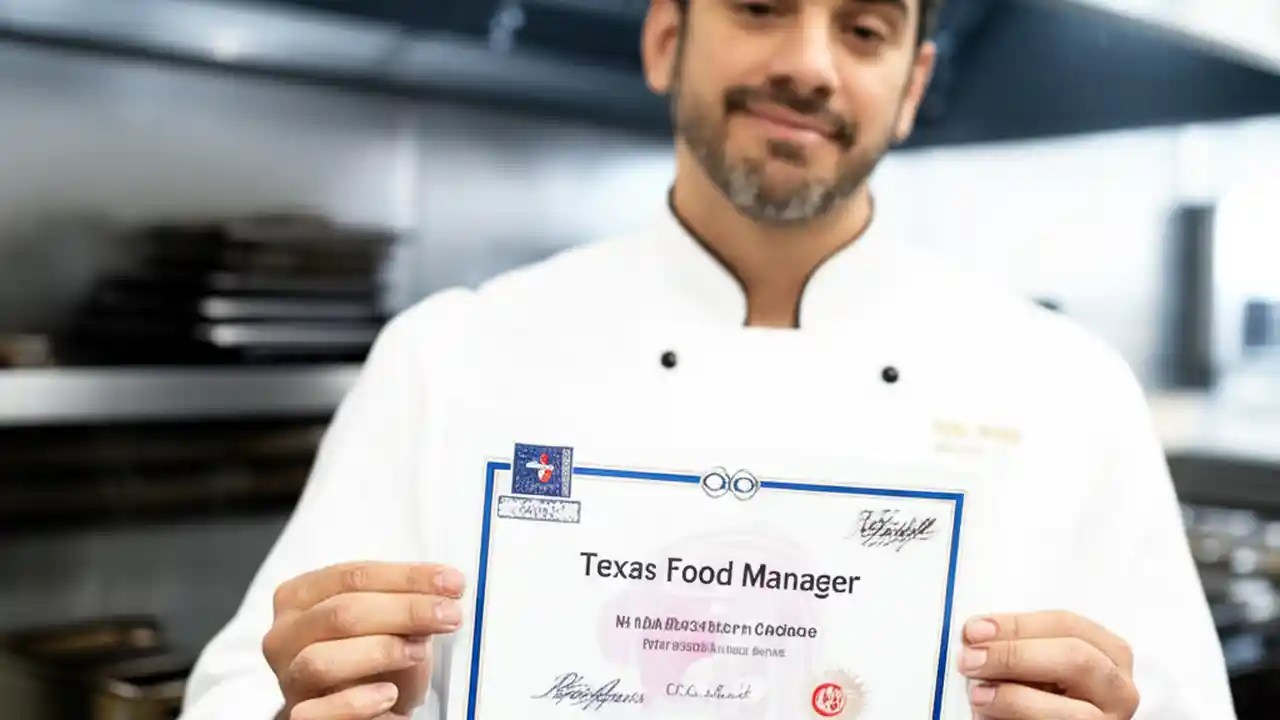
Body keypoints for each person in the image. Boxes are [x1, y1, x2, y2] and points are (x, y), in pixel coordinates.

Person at [181, 1, 1237, 718]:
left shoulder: (1066, 389)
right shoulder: (449, 354)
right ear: (663, 39)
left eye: (862, 28)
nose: (809, 64)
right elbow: (234, 695)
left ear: (909, 87)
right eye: (759, 6)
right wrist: (303, 697)